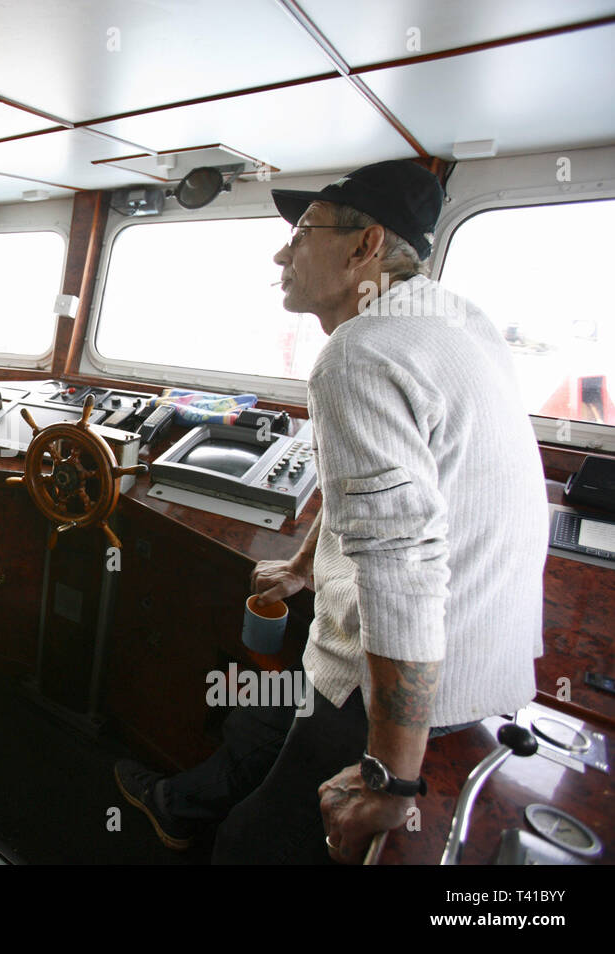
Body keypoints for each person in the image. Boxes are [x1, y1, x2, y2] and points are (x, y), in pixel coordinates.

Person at [115, 159, 549, 864]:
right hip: (487, 669)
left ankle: (200, 823)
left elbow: (403, 574)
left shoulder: (360, 354)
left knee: (254, 848)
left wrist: (389, 777)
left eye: (302, 231)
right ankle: (182, 805)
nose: (282, 252)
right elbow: (385, 498)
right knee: (267, 709)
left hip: (401, 693)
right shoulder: (455, 318)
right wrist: (299, 565)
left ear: (364, 246)